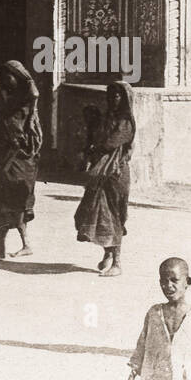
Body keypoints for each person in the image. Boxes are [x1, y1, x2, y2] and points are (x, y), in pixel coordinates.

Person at [0, 61, 43, 259]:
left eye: (11, 75)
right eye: (4, 75)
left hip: (20, 158)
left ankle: (26, 244)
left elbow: (35, 93)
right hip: (3, 154)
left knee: (15, 202)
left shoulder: (26, 100)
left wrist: (28, 79)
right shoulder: (7, 99)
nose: (6, 79)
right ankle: (1, 247)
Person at [74, 80, 135, 276]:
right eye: (110, 95)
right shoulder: (107, 118)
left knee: (114, 217)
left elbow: (109, 143)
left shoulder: (125, 122)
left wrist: (94, 145)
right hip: (100, 173)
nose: (113, 99)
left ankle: (117, 263)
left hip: (115, 174)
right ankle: (108, 252)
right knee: (95, 214)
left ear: (124, 98)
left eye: (117, 95)